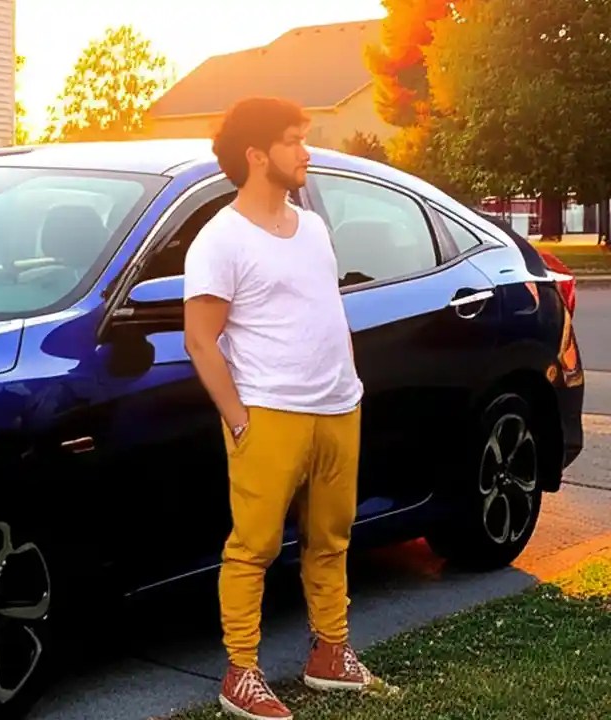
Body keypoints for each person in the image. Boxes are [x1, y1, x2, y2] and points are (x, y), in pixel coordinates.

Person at [182, 97, 377, 720]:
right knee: (254, 548)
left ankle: (331, 653)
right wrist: (239, 420)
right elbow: (200, 340)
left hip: (338, 407)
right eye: (294, 140)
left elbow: (326, 311)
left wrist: (348, 384)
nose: (306, 152)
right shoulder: (221, 240)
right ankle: (241, 672)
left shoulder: (313, 227)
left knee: (332, 537)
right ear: (257, 155)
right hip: (269, 413)